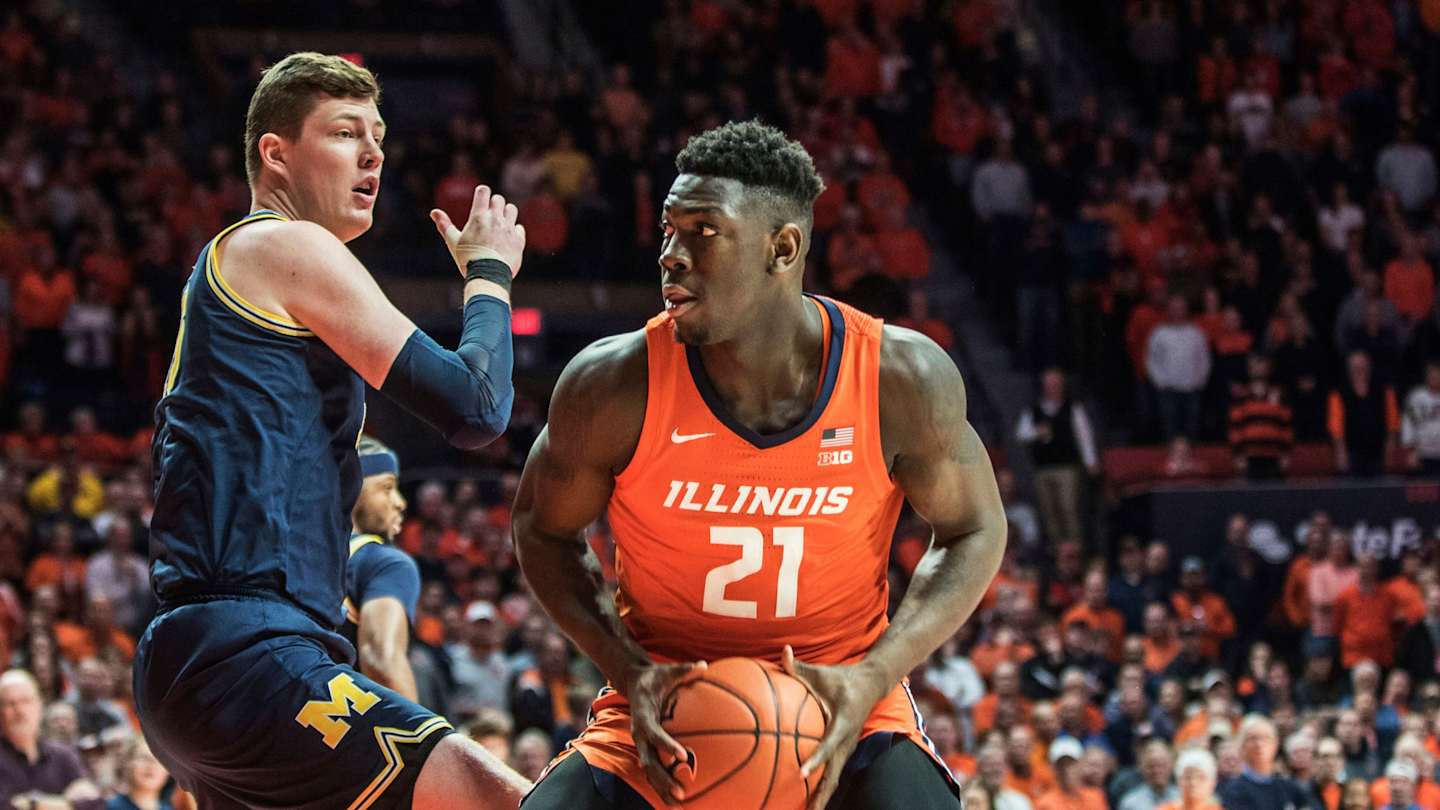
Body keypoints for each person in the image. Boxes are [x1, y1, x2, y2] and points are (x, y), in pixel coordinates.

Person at [512, 120, 1007, 809]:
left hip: (844, 701)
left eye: (703, 231)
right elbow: (541, 529)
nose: (671, 256)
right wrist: (626, 669)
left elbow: (976, 530)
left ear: (782, 247)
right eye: (667, 229)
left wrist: (877, 674)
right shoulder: (613, 384)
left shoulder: (898, 377)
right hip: (662, 703)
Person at [132, 52, 529, 809]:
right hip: (246, 649)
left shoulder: (244, 273)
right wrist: (488, 275)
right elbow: (475, 409)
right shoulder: (283, 243)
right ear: (275, 153)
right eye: (346, 132)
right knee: (495, 797)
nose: (375, 152)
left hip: (221, 653)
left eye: (378, 135)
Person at [343, 437, 422, 701]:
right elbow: (380, 660)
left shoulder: (288, 550)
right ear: (351, 486)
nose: (400, 502)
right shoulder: (383, 561)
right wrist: (421, 738)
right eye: (387, 488)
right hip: (335, 728)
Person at [1015, 368, 1099, 546]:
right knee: (1049, 513)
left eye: (1056, 384)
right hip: (1043, 468)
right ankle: (1058, 551)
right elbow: (1021, 433)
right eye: (1049, 384)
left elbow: (1084, 436)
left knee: (1069, 509)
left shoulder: (1072, 408)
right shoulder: (1034, 409)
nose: (1052, 388)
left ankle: (1075, 549)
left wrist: (1090, 461)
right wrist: (1036, 433)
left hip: (1066, 467)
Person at [0, 669, 102, 809]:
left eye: (26, 701)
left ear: (39, 706)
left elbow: (94, 804)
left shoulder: (63, 755)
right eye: (10, 703)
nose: (20, 710)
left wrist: (34, 804)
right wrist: (68, 804)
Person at [1217, 715, 1313, 810]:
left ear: (1275, 744)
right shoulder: (1233, 790)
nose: (1259, 744)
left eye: (1266, 738)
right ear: (1242, 746)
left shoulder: (1290, 788)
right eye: (1253, 738)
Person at [1035, 737, 1107, 810]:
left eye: (1071, 764)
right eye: (1061, 765)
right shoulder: (1045, 804)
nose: (1066, 770)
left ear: (1081, 764)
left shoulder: (1095, 797)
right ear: (1053, 769)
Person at [106, 738, 173, 810]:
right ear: (128, 763)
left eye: (159, 761)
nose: (152, 765)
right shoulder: (109, 807)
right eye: (144, 758)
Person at [1402, 360, 1440, 475]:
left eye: (1437, 373)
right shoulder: (1416, 396)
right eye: (1430, 373)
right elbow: (1408, 425)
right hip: (1421, 454)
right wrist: (1410, 452)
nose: (1433, 376)